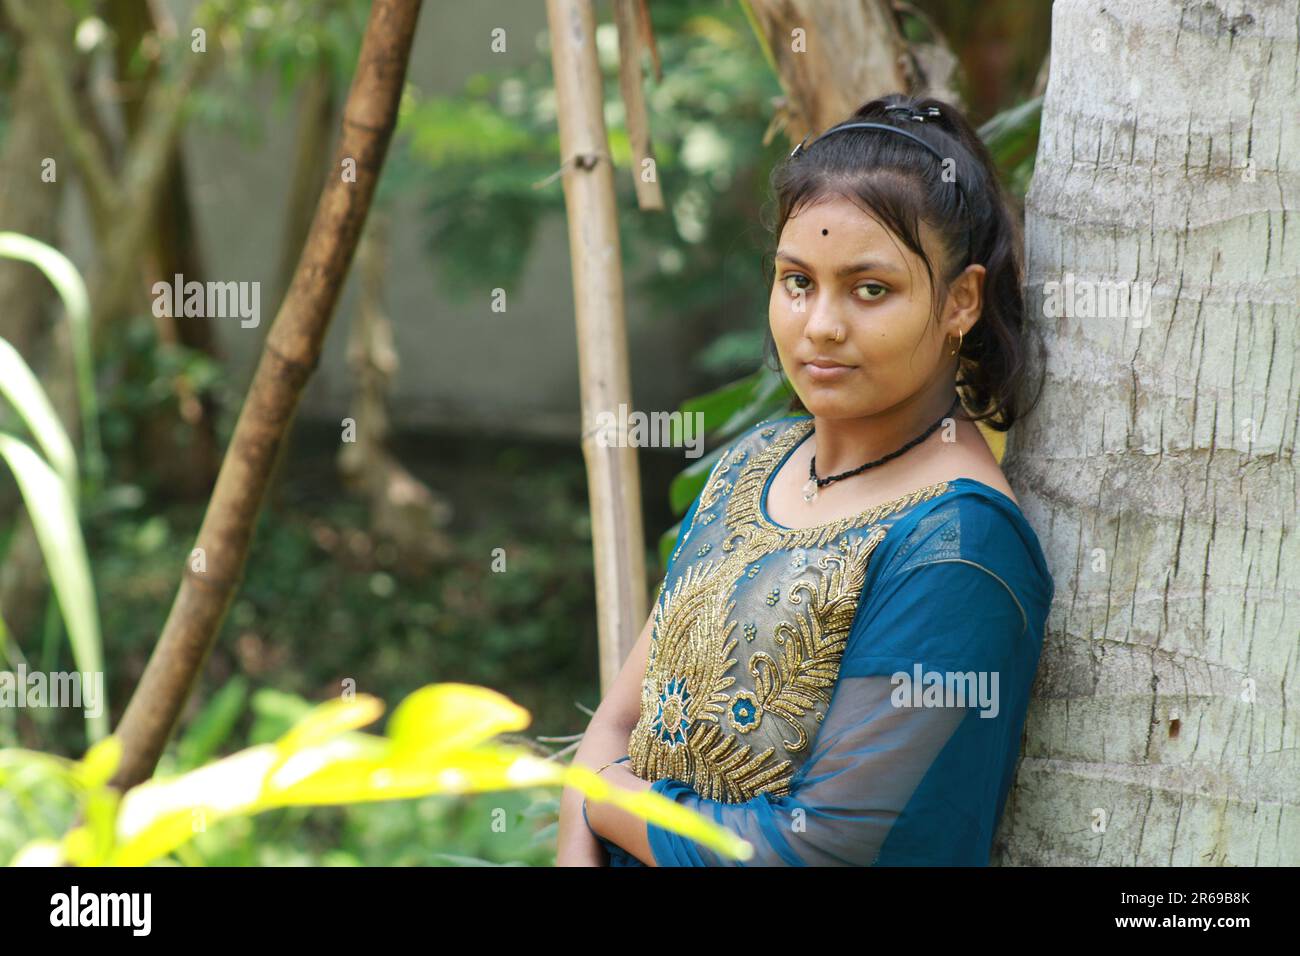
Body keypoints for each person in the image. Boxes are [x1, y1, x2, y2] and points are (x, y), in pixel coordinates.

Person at [555, 93, 1053, 866]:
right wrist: (586, 805)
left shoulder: (957, 544)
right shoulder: (756, 461)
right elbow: (615, 726)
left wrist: (603, 796)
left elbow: (817, 850)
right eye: (797, 281)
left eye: (870, 289)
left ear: (961, 300)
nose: (820, 324)